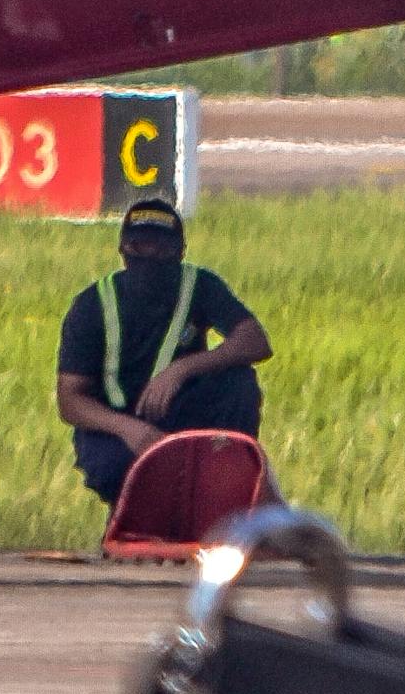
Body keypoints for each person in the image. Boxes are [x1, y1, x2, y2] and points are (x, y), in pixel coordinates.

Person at [54, 198, 271, 505]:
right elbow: (70, 400)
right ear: (122, 249)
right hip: (115, 425)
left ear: (180, 251)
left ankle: (227, 489)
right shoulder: (92, 305)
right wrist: (131, 430)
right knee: (119, 467)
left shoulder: (199, 286)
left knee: (239, 382)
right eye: (139, 246)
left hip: (180, 411)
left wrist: (181, 369)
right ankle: (133, 513)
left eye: (161, 248)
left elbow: (255, 341)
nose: (150, 256)